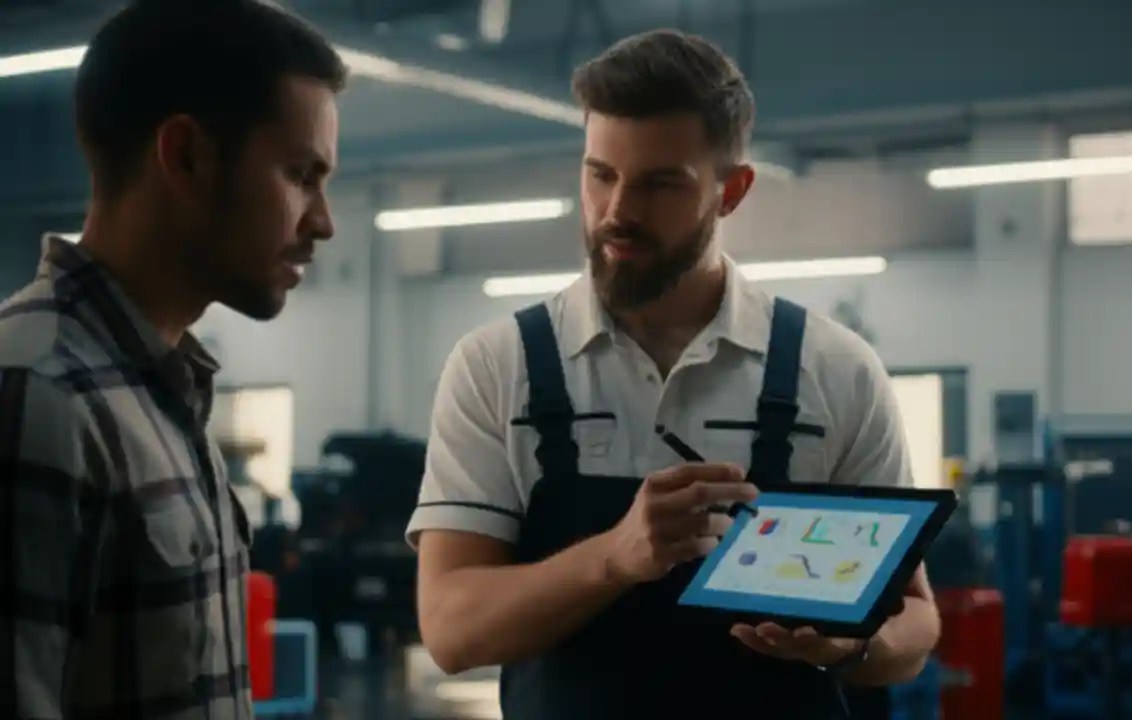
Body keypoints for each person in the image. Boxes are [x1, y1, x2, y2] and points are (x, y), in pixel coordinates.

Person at [407, 29, 940, 719]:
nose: (619, 211)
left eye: (660, 183)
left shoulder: (835, 371)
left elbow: (917, 622)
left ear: (733, 191)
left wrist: (847, 648)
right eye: (600, 174)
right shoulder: (495, 366)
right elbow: (451, 629)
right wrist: (615, 557)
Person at [0, 1, 344, 717]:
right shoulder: (36, 394)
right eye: (299, 174)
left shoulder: (160, 391)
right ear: (186, 156)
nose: (323, 221)